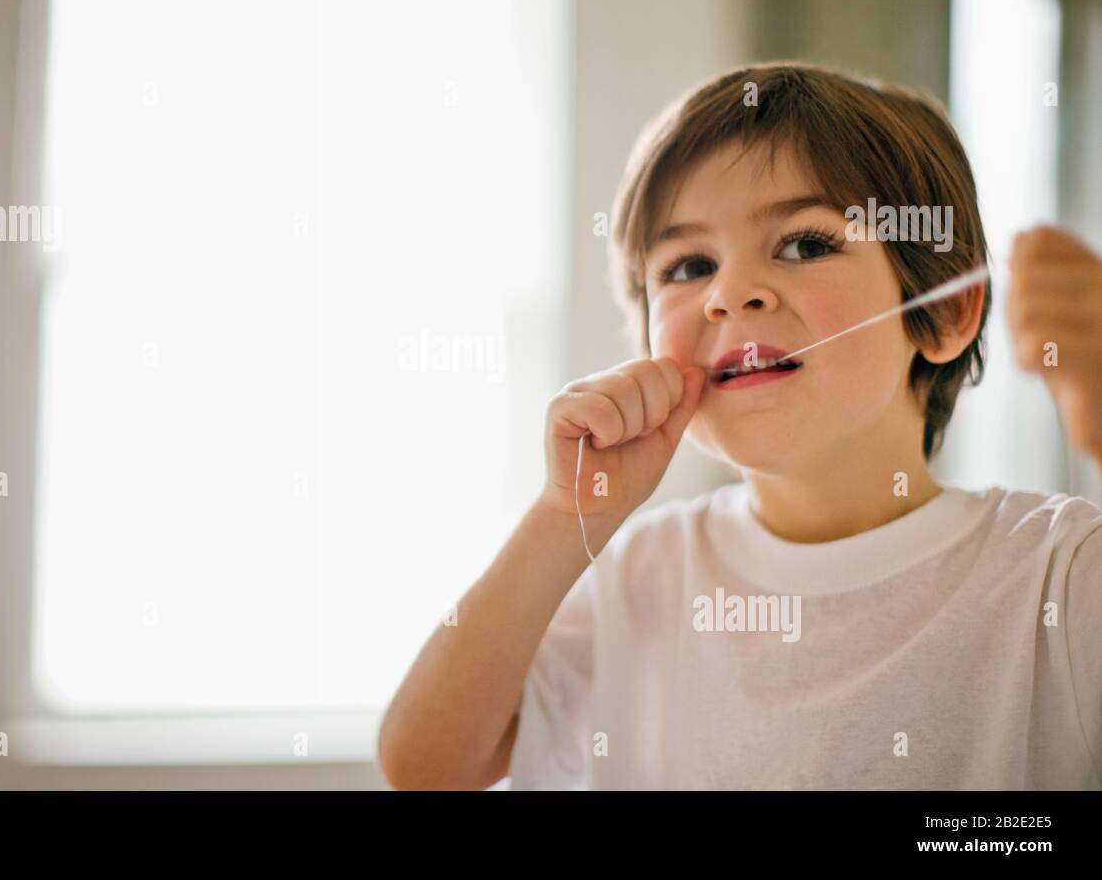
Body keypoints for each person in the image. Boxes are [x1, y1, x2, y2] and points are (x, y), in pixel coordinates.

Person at [377, 62, 1102, 790]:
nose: (729, 295)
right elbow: (426, 766)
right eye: (689, 264)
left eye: (806, 244)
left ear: (944, 311)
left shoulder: (1061, 574)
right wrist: (562, 518)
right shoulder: (640, 576)